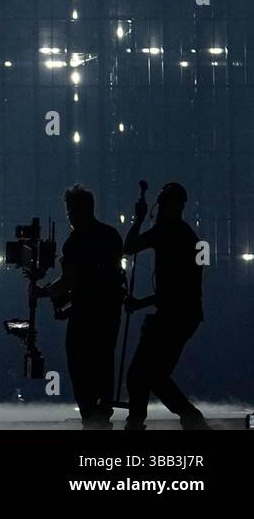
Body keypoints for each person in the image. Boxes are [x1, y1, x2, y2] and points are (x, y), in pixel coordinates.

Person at [35, 184, 125, 428]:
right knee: (105, 361)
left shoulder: (75, 243)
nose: (68, 216)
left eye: (69, 210)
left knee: (80, 365)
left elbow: (67, 281)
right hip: (110, 312)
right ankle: (104, 413)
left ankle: (89, 416)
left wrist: (43, 292)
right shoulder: (111, 235)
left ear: (75, 210)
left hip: (85, 315)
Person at [123, 182, 208, 430]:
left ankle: (139, 422)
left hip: (174, 316)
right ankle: (190, 419)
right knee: (153, 375)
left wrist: (138, 219)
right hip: (184, 315)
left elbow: (129, 247)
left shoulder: (167, 231)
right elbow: (177, 290)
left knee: (141, 374)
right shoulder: (185, 234)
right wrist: (142, 304)